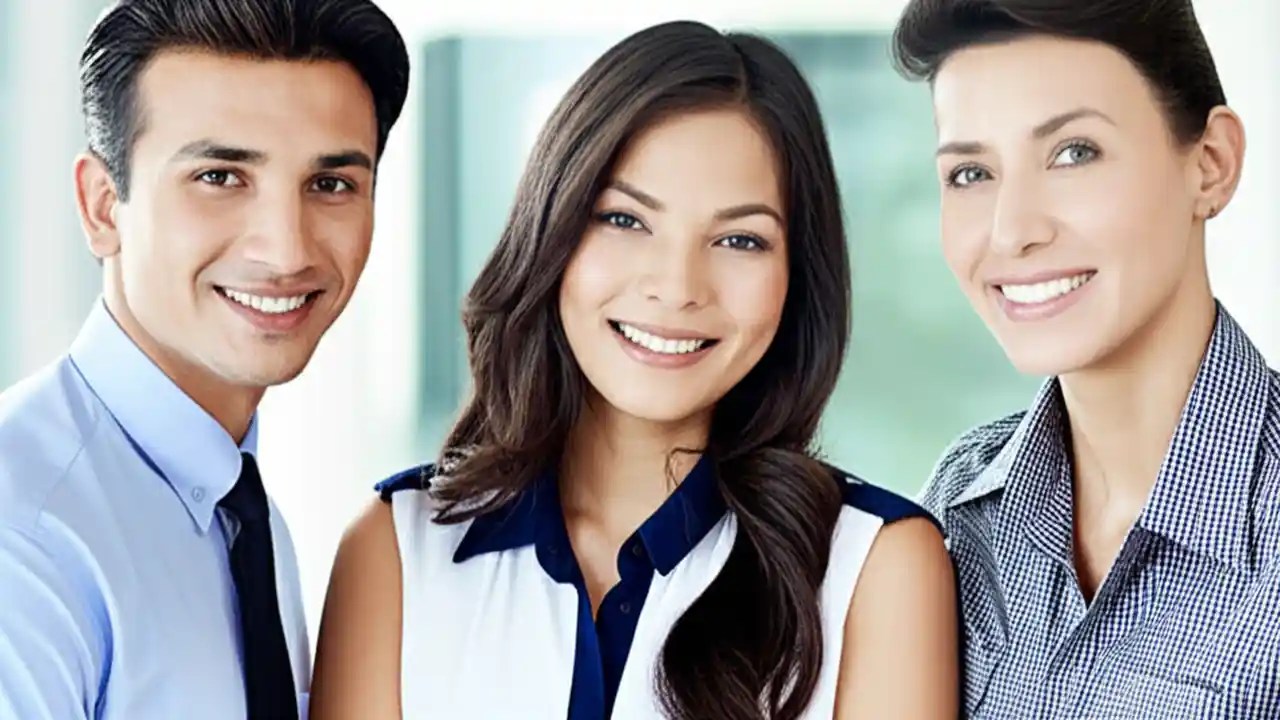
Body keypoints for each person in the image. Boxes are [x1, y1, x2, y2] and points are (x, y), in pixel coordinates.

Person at [309, 20, 958, 720]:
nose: (678, 286)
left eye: (740, 239)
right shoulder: (397, 550)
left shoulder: (874, 570)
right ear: (551, 230)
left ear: (797, 278)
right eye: (625, 220)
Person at [0, 1, 408, 718]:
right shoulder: (23, 531)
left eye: (331, 184)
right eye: (220, 177)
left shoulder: (245, 518)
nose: (286, 251)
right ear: (102, 207)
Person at [892, 0, 1280, 717]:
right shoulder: (958, 506)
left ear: (1212, 164)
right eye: (971, 174)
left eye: (1074, 153)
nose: (1012, 233)